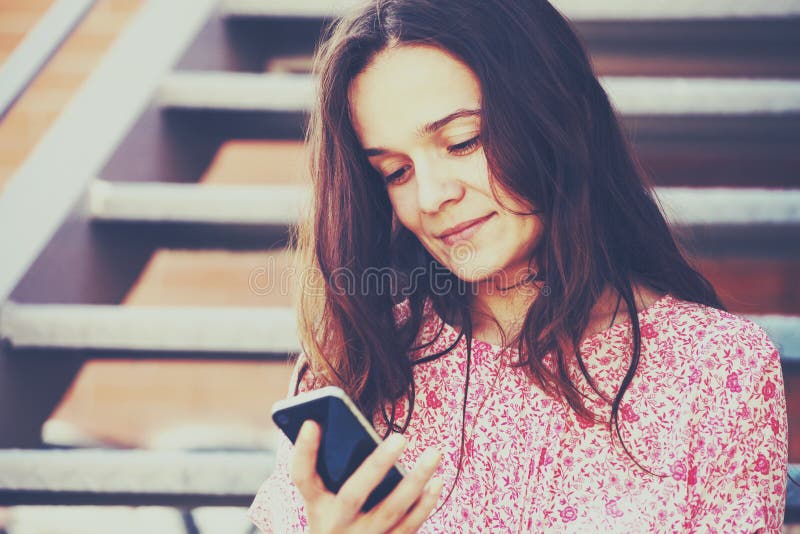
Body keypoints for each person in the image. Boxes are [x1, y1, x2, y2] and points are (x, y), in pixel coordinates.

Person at [248, 0, 788, 532]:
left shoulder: (717, 367)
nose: (431, 196)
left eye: (463, 142)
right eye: (395, 171)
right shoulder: (359, 365)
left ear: (551, 115)